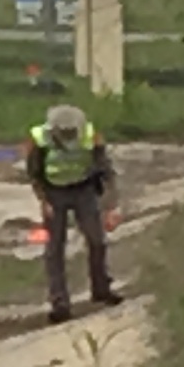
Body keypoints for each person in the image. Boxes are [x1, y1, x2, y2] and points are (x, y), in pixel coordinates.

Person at [25, 104, 123, 324]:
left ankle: (101, 288)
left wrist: (111, 205)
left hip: (84, 190)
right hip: (54, 193)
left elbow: (106, 169)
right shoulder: (39, 138)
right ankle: (59, 303)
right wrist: (43, 201)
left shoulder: (91, 135)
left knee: (97, 240)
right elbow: (34, 172)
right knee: (55, 248)